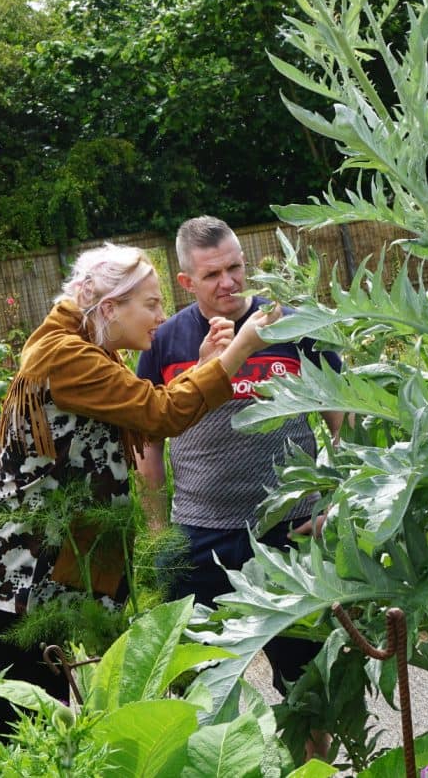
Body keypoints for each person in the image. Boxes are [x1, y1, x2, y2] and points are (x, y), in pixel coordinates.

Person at [0, 242, 277, 732]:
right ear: (110, 307)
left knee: (44, 705)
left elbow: (137, 417)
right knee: (13, 714)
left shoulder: (84, 343)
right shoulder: (66, 355)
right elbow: (161, 414)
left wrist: (201, 366)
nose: (161, 314)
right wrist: (238, 352)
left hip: (53, 552)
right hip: (19, 563)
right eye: (151, 303)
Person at [136, 217, 343, 711]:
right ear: (186, 282)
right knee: (195, 687)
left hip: (292, 529)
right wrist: (156, 528)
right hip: (198, 535)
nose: (228, 282)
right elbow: (148, 446)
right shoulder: (165, 341)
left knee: (308, 687)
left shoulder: (294, 326)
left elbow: (345, 422)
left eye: (235, 267)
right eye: (211, 275)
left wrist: (335, 504)